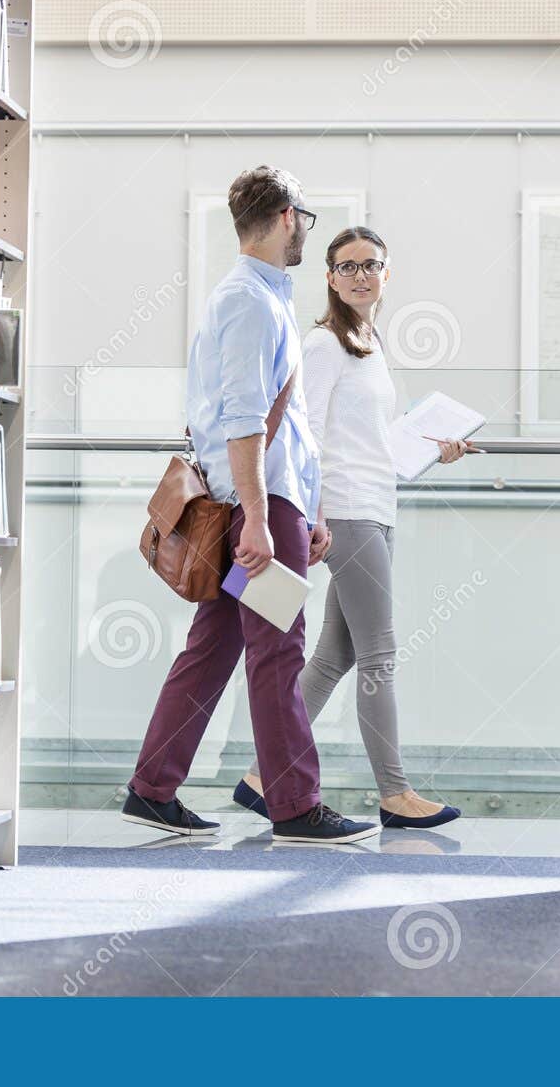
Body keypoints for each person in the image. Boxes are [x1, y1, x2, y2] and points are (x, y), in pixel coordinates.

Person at [123, 168, 380, 845]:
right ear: (289, 217)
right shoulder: (250, 302)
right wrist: (264, 521)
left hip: (264, 501)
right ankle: (295, 805)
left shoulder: (261, 298)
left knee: (214, 648)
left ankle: (152, 787)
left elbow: (286, 424)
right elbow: (243, 421)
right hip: (256, 506)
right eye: (306, 223)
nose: (305, 234)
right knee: (279, 651)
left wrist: (310, 509)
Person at [234, 226, 467, 830]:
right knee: (379, 656)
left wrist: (434, 450)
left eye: (370, 265)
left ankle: (261, 777)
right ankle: (395, 794)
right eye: (347, 266)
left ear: (387, 273)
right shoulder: (323, 345)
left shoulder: (369, 343)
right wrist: (312, 513)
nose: (360, 275)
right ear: (330, 278)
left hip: (377, 505)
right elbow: (301, 432)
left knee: (335, 656)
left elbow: (374, 440)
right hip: (345, 510)